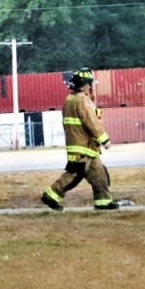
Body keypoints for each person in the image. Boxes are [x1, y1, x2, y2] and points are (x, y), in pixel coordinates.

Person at [41, 68, 120, 211]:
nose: (90, 87)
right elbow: (91, 122)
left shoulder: (69, 99)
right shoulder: (83, 100)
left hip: (85, 147)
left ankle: (103, 203)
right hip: (83, 147)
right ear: (85, 85)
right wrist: (105, 140)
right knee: (74, 175)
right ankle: (50, 196)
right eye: (89, 84)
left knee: (100, 176)